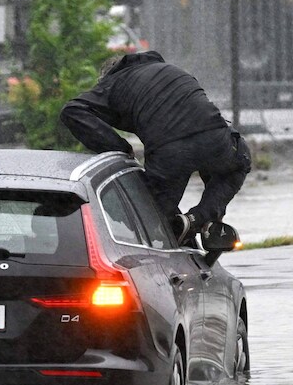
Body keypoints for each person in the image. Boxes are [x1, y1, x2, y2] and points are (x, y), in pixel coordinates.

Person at [60, 51, 251, 245]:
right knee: (238, 163)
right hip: (215, 137)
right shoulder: (173, 71)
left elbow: (72, 111)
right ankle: (196, 220)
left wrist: (119, 149)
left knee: (153, 220)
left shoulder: (114, 83)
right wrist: (211, 208)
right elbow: (195, 124)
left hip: (169, 153)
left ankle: (173, 232)